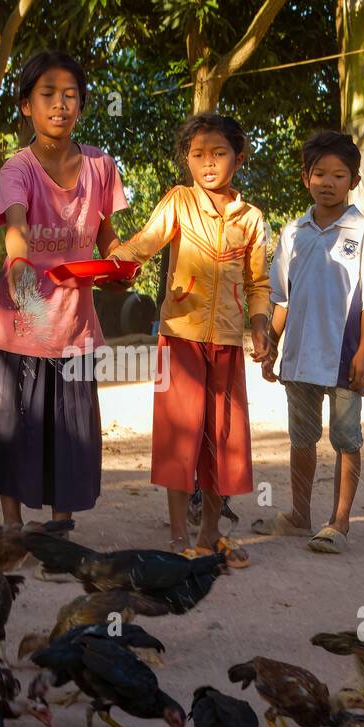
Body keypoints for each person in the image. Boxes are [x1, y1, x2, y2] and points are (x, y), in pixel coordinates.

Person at [0, 51, 128, 529]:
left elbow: (109, 235)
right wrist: (17, 263)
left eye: (70, 95)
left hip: (75, 325)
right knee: (15, 425)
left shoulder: (101, 166)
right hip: (21, 323)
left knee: (69, 432)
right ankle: (13, 529)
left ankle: (61, 527)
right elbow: (15, 225)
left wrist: (120, 262)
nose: (60, 104)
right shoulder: (16, 169)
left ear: (81, 105)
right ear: (25, 106)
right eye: (47, 95)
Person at [109, 113, 269, 556]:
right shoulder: (179, 201)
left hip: (227, 343)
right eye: (198, 155)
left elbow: (259, 283)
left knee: (223, 438)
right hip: (179, 337)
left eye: (219, 153)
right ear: (187, 161)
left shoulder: (251, 219)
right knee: (180, 436)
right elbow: (144, 243)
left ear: (238, 159)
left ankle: (209, 533)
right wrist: (108, 266)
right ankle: (178, 535)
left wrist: (260, 324)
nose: (209, 163)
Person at [253, 130, 364, 554]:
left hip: (343, 358)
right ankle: (299, 515)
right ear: (305, 178)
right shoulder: (294, 233)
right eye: (320, 173)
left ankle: (339, 521)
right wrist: (270, 342)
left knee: (346, 439)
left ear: (354, 180)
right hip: (298, 359)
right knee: (301, 440)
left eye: (339, 174)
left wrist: (363, 352)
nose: (328, 181)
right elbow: (282, 298)